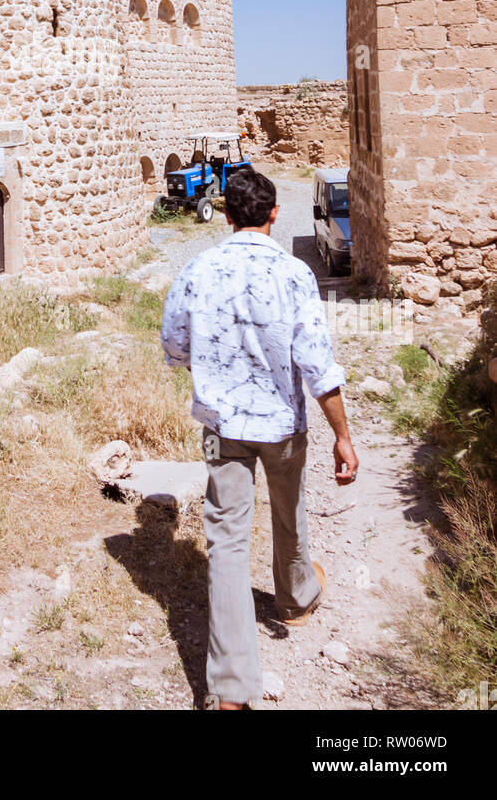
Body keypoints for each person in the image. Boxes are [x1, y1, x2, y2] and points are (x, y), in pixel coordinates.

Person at [160, 165, 358, 710]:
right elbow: (317, 363)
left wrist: (212, 365)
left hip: (224, 426)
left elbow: (174, 346)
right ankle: (295, 595)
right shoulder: (294, 274)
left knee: (225, 544)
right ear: (274, 214)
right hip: (282, 424)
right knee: (289, 510)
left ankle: (230, 690)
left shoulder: (197, 269)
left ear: (225, 215)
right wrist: (343, 436)